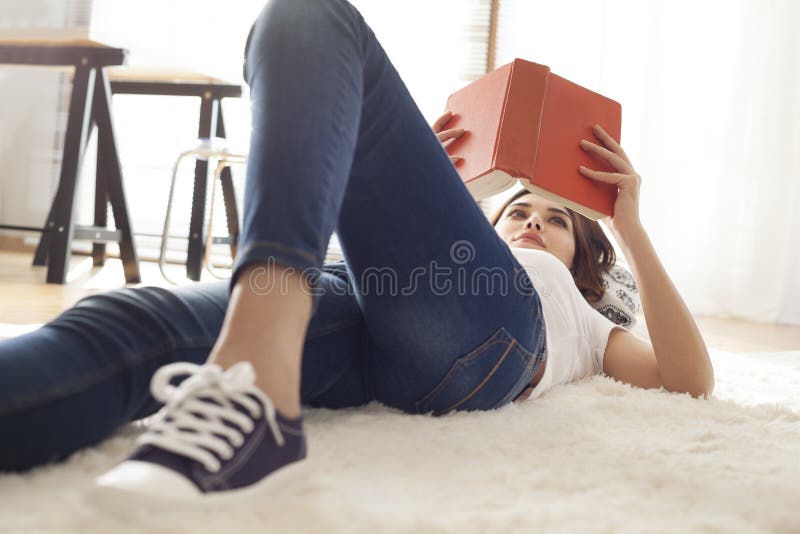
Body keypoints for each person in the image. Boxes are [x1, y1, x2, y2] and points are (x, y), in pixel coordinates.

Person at [0, 0, 713, 510]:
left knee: (314, 14)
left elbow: (689, 380)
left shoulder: (585, 322)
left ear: (581, 256)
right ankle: (250, 373)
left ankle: (260, 392)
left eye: (553, 222)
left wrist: (630, 227)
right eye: (516, 212)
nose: (529, 223)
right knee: (134, 322)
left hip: (485, 336)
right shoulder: (470, 238)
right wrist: (406, 187)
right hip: (363, 306)